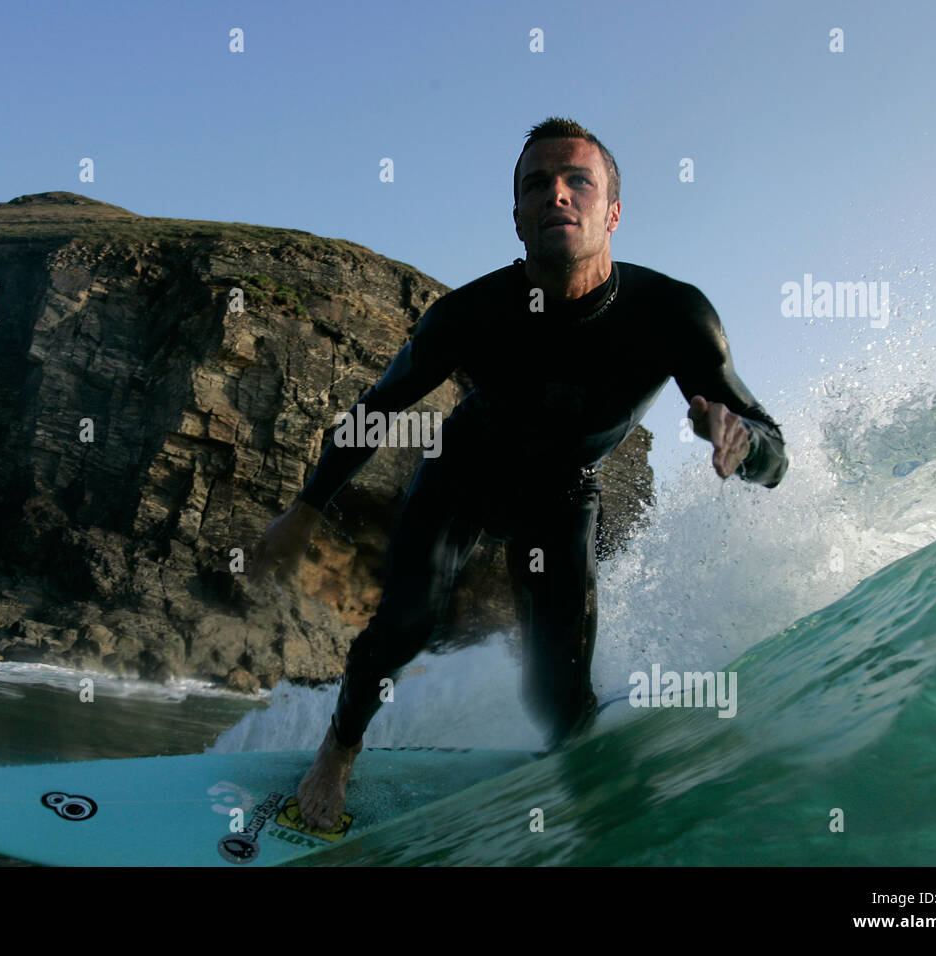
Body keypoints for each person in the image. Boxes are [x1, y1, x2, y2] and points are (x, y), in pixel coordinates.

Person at [250, 116, 789, 831]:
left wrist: (741, 443)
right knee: (408, 618)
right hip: (466, 467)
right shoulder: (470, 314)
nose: (557, 195)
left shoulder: (672, 315)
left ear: (613, 211)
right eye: (537, 184)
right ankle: (335, 755)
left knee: (561, 688)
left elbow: (774, 452)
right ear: (516, 217)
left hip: (565, 493)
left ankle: (586, 793)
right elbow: (377, 409)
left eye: (578, 182)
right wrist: (307, 510)